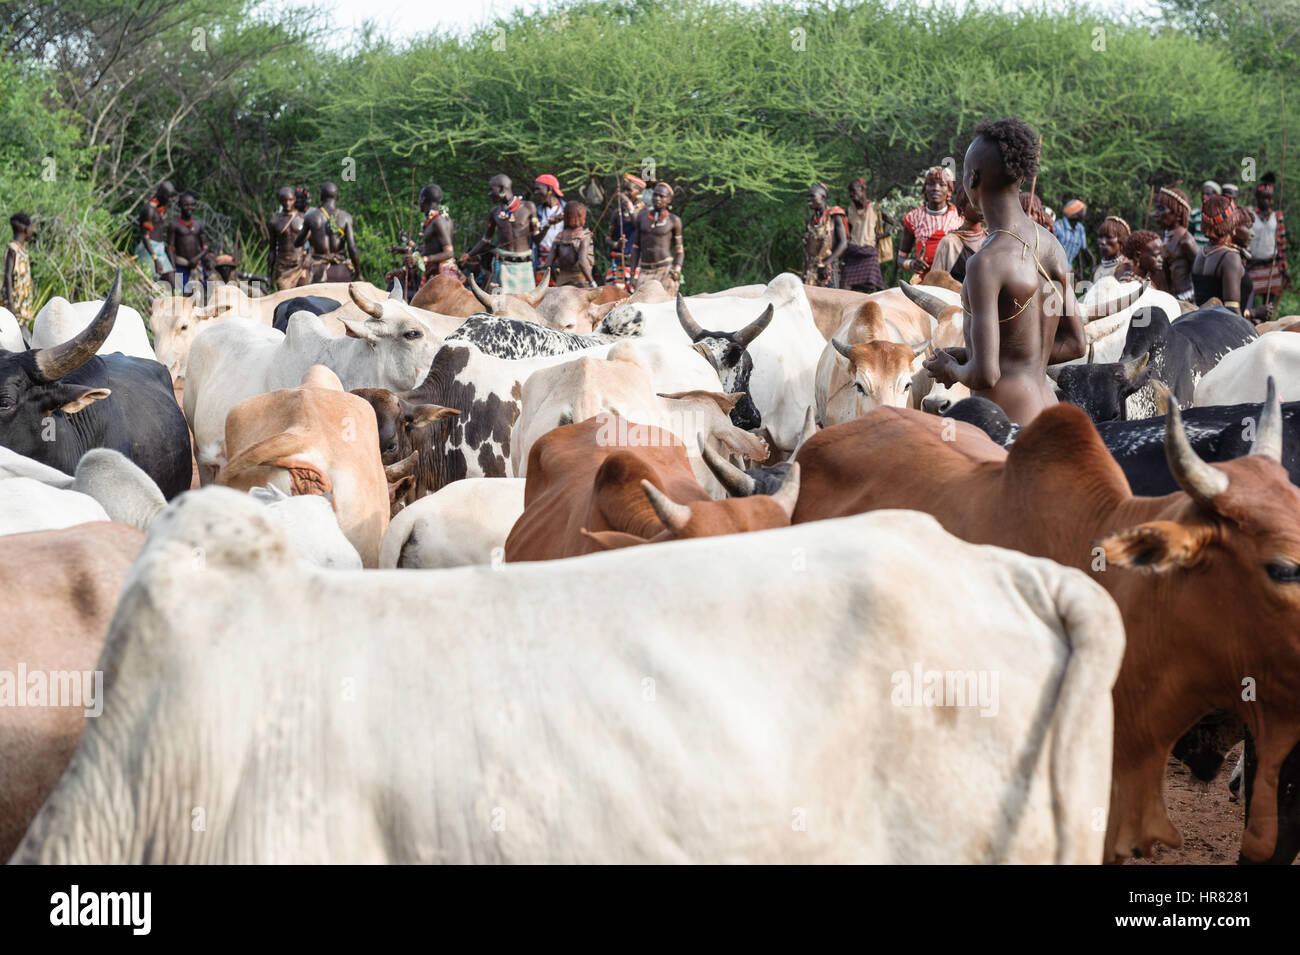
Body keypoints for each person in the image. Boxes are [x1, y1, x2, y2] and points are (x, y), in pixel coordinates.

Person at [922, 117, 1085, 426]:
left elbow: (986, 375)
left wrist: (950, 369)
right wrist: (976, 355)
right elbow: (1076, 344)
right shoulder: (1053, 245)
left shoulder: (985, 262)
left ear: (972, 177)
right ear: (1020, 178)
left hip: (1004, 422)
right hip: (1049, 413)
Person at [460, 174, 538, 293]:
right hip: (502, 267)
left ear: (501, 189)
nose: (489, 193)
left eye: (491, 189)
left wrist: (548, 226)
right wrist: (468, 255)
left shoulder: (528, 207)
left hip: (524, 267)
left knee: (528, 301)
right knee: (500, 302)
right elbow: (486, 240)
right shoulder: (495, 212)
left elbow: (537, 239)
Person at [898, 166, 961, 279]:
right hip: (924, 282)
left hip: (954, 281)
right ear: (925, 189)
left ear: (949, 190)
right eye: (931, 184)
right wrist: (912, 263)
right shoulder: (913, 218)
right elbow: (901, 259)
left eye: (942, 184)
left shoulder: (959, 217)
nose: (935, 188)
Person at [295, 181, 363, 283]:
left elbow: (297, 243)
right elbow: (352, 247)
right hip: (340, 271)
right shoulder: (346, 217)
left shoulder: (311, 217)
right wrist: (359, 274)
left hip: (318, 271)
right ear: (337, 196)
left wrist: (310, 235)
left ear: (321, 197)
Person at [1191, 194, 1248, 314]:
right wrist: (1252, 314)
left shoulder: (1201, 253)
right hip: (1222, 323)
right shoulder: (1230, 258)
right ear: (1229, 224)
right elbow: (1232, 311)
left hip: (1199, 320)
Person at [1245, 172, 1289, 321]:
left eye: (1269, 198)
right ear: (1257, 197)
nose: (1266, 201)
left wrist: (1283, 267)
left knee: (1268, 303)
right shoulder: (1250, 214)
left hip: (1271, 266)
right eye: (1263, 197)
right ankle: (1249, 321)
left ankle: (1266, 325)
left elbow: (1281, 242)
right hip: (1253, 264)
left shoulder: (1277, 216)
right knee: (1249, 298)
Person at [629, 182, 683, 295]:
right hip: (645, 271)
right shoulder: (642, 217)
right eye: (655, 195)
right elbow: (636, 248)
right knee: (641, 303)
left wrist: (677, 270)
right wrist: (632, 275)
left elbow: (679, 250)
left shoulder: (674, 220)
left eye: (661, 196)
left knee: (666, 304)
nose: (657, 198)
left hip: (665, 270)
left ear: (669, 200)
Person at [930, 184, 986, 283]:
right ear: (962, 208)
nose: (982, 206)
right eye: (975, 202)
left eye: (984, 201)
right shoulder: (950, 243)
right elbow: (935, 282)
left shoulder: (991, 238)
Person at [840, 177, 888, 292]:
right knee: (844, 288)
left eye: (854, 191)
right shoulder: (849, 210)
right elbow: (846, 233)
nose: (851, 194)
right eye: (850, 192)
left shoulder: (875, 208)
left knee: (869, 290)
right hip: (853, 253)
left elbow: (896, 224)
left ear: (863, 190)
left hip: (868, 254)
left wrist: (881, 236)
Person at [1154, 186, 1197, 305]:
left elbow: (1202, 274)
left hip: (1185, 304)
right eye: (1156, 209)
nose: (1155, 214)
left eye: (1161, 209)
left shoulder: (1186, 241)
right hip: (1168, 302)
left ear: (1178, 214)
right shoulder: (1165, 237)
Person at [802, 184, 847, 287]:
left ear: (823, 198)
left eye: (812, 196)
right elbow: (807, 249)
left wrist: (826, 263)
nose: (808, 199)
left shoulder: (835, 216)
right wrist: (805, 270)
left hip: (828, 268)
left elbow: (843, 243)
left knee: (830, 296)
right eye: (808, 196)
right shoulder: (811, 221)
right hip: (811, 270)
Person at [606, 174, 645, 288]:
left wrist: (630, 206)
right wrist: (616, 244)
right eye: (624, 190)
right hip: (618, 264)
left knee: (637, 296)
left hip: (637, 265)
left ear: (639, 192)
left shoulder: (645, 212)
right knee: (617, 296)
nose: (625, 193)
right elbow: (608, 238)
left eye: (629, 190)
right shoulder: (617, 212)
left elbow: (638, 225)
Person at [416, 183, 461, 284]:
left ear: (423, 199)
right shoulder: (434, 220)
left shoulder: (439, 220)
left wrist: (424, 259)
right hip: (434, 273)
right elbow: (433, 249)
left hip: (442, 275)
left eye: (419, 198)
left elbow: (449, 253)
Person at [167, 193, 210, 295]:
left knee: (203, 292)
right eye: (186, 205)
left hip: (196, 265)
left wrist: (197, 258)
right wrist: (173, 268)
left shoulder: (198, 225)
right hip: (181, 265)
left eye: (191, 205)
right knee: (181, 294)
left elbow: (205, 247)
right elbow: (170, 248)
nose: (189, 207)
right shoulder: (174, 225)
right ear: (179, 206)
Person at [545, 201, 596, 287]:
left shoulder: (559, 236)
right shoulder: (584, 236)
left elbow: (548, 264)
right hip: (580, 282)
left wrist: (557, 280)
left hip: (561, 283)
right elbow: (582, 262)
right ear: (581, 216)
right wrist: (592, 282)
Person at [136, 181, 177, 287]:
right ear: (161, 194)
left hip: (160, 249)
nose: (170, 200)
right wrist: (155, 259)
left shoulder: (160, 208)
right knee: (149, 284)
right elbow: (145, 237)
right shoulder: (149, 210)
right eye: (168, 197)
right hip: (149, 250)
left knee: (173, 285)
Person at [268, 186, 309, 290]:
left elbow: (314, 243)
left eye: (290, 200)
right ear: (280, 201)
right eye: (284, 200)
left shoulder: (304, 218)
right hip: (282, 267)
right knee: (285, 298)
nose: (287, 203)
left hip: (300, 265)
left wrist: (309, 257)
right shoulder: (275, 222)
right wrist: (269, 274)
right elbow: (272, 249)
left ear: (295, 199)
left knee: (304, 296)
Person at [3, 212, 35, 331]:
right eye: (31, 226)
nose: (33, 230)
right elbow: (7, 276)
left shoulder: (23, 251)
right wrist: (10, 303)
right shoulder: (13, 249)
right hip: (13, 306)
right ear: (25, 229)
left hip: (22, 307)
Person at [531, 174, 566, 282]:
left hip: (562, 260)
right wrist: (548, 225)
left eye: (538, 189)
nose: (535, 192)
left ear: (550, 189)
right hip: (541, 260)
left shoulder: (566, 210)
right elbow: (536, 240)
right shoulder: (537, 211)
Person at [1093, 216, 1131, 283]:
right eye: (1100, 237)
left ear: (1122, 240)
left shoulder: (1126, 269)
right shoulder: (1096, 270)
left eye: (1109, 237)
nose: (1103, 242)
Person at [1053, 199, 1087, 270]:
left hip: (1069, 268)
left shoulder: (1080, 229)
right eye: (1081, 211)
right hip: (1053, 267)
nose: (1084, 214)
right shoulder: (1057, 226)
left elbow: (1080, 253)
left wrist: (1080, 272)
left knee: (1070, 277)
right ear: (1074, 213)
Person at [1190, 180, 1221, 248]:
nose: (1204, 197)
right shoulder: (1194, 214)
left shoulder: (1220, 216)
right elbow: (1189, 234)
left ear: (1216, 196)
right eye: (1203, 194)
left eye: (1208, 194)